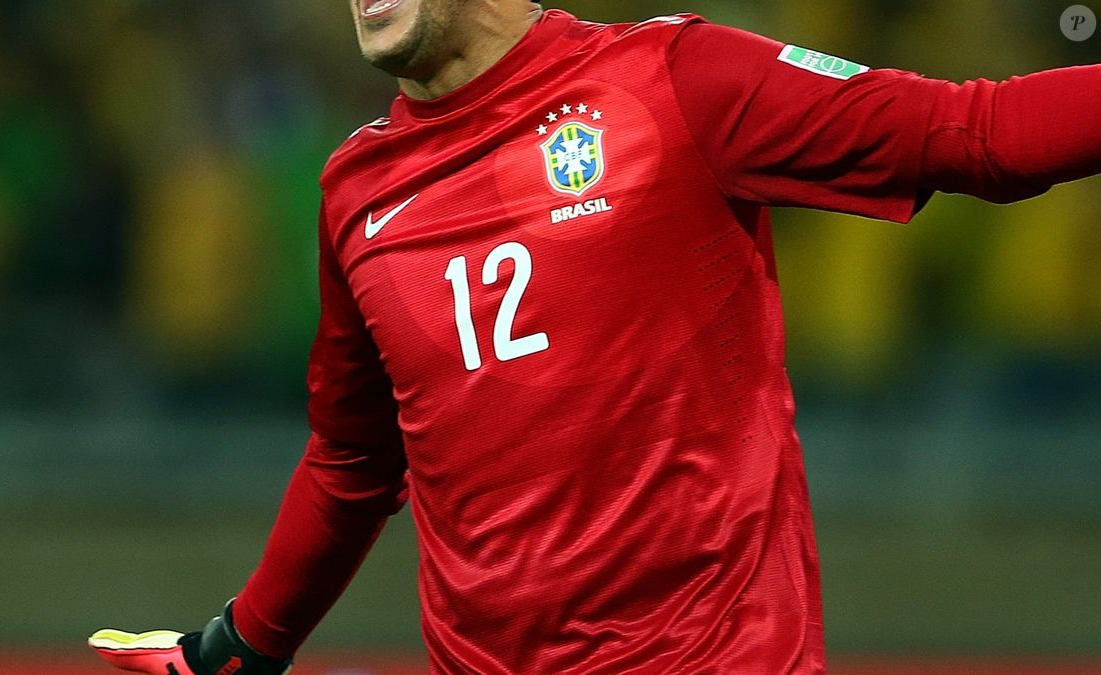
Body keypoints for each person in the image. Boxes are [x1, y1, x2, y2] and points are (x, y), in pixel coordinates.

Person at [88, 1, 1101, 673]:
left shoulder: (674, 80)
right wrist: (238, 648)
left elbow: (978, 133)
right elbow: (353, 459)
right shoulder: (357, 190)